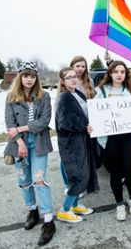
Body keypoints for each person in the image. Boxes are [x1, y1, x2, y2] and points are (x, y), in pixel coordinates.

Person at [4, 62, 55, 246]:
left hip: (39, 141)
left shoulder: (44, 96)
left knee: (39, 179)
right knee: (24, 181)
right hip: (19, 143)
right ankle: (33, 210)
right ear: (20, 77)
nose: (29, 79)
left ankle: (49, 220)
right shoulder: (11, 97)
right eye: (26, 75)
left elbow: (44, 121)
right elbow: (9, 124)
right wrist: (19, 141)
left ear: (36, 78)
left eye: (32, 76)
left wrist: (23, 128)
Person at [95, 61, 131, 221]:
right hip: (110, 140)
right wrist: (93, 127)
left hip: (129, 138)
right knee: (115, 173)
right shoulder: (101, 92)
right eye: (116, 71)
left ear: (126, 74)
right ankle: (119, 204)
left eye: (122, 72)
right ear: (110, 73)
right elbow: (95, 116)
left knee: (129, 170)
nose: (119, 74)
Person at [55, 67, 99, 223]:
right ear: (63, 81)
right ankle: (64, 210)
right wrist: (83, 127)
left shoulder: (78, 93)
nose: (73, 79)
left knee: (84, 173)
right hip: (71, 144)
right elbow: (64, 123)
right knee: (78, 176)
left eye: (74, 76)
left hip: (83, 140)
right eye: (68, 77)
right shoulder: (64, 98)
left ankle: (75, 205)